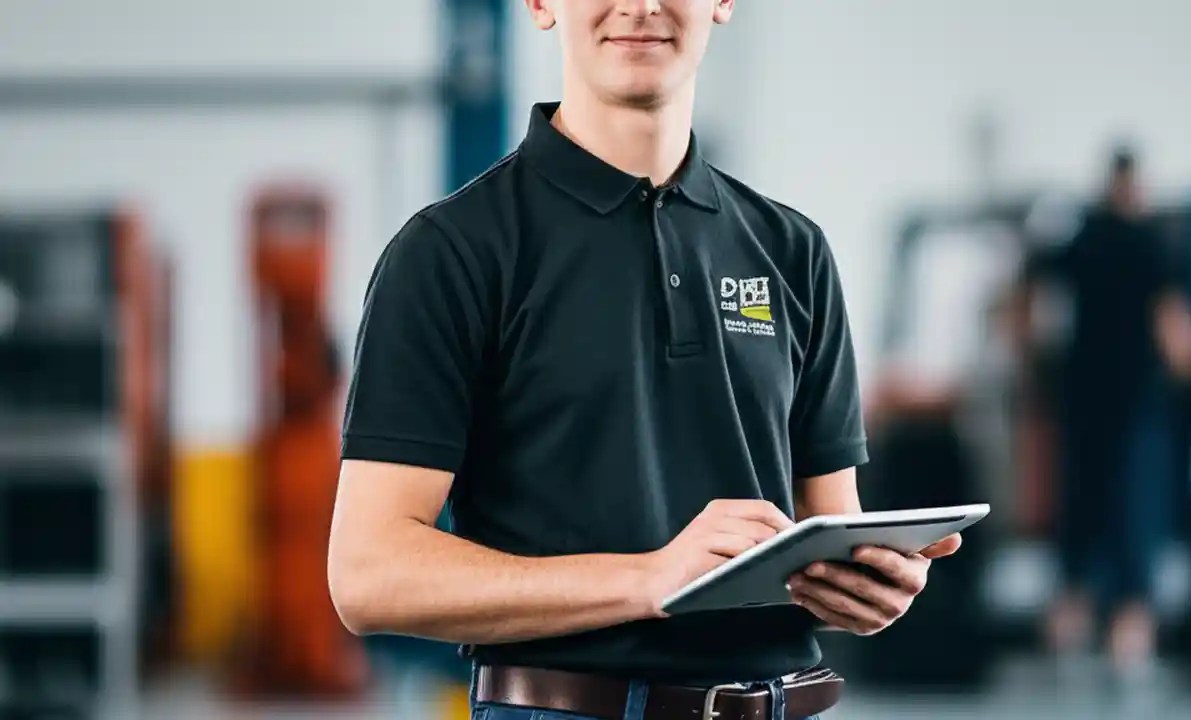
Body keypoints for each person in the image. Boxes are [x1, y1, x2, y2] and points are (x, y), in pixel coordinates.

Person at [328, 2, 962, 718]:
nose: (640, 5)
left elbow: (828, 520)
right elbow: (368, 573)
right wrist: (650, 580)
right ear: (539, 5)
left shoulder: (793, 251)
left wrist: (866, 589)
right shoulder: (453, 253)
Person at [1022, 148, 1191, 679]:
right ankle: (1128, 635)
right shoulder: (1154, 242)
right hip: (1138, 402)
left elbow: (1030, 283)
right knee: (1137, 512)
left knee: (1079, 508)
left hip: (1081, 396)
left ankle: (1068, 628)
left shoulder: (1081, 237)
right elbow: (1175, 331)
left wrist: (1030, 354)